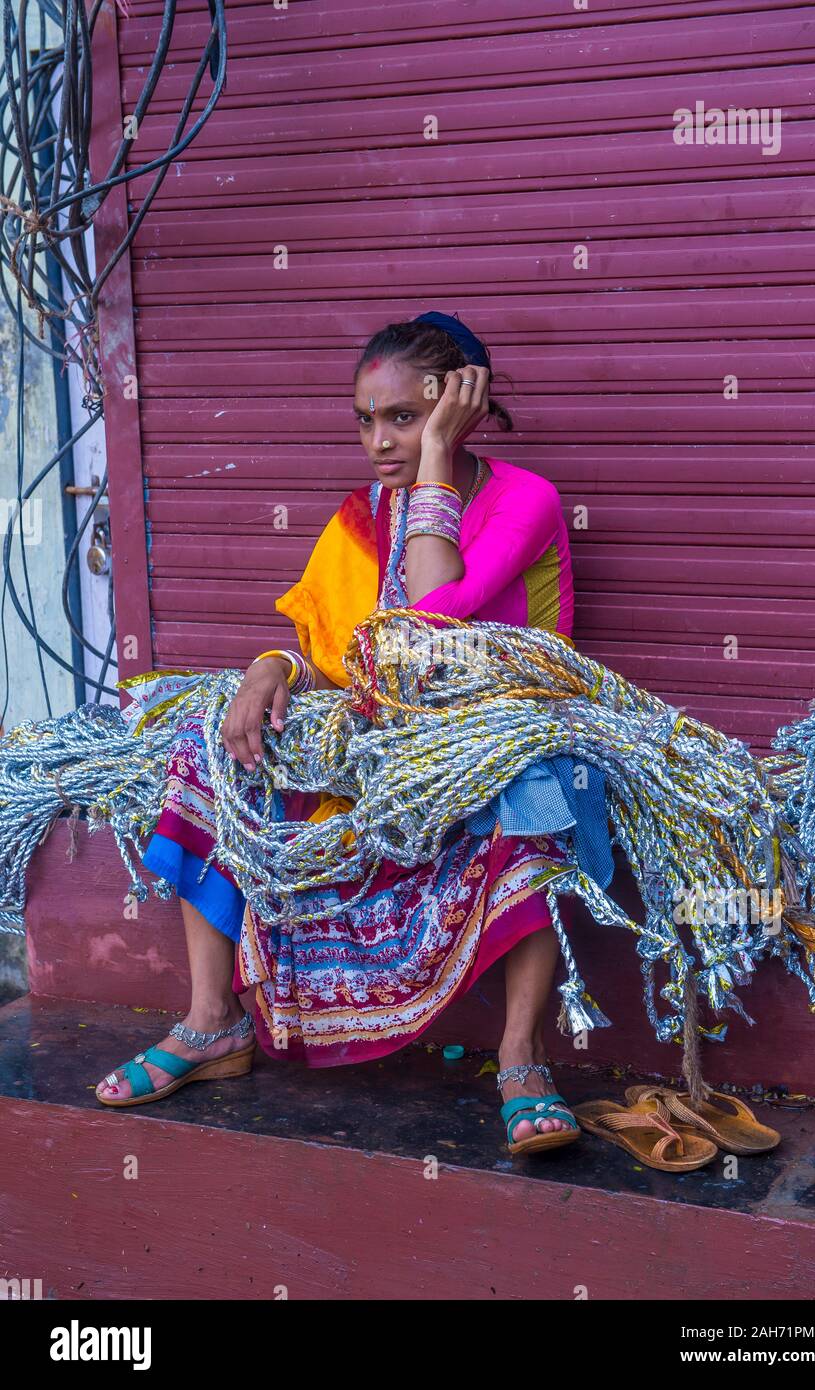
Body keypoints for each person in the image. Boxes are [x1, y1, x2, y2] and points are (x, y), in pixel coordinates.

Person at [94, 311, 614, 1156]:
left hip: (497, 725)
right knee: (209, 748)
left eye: (405, 417)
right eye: (366, 419)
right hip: (386, 730)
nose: (379, 441)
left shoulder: (526, 499)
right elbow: (330, 653)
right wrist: (270, 667)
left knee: (538, 784)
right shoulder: (362, 515)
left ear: (459, 408)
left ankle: (522, 1060)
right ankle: (210, 1023)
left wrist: (437, 460)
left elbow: (417, 620)